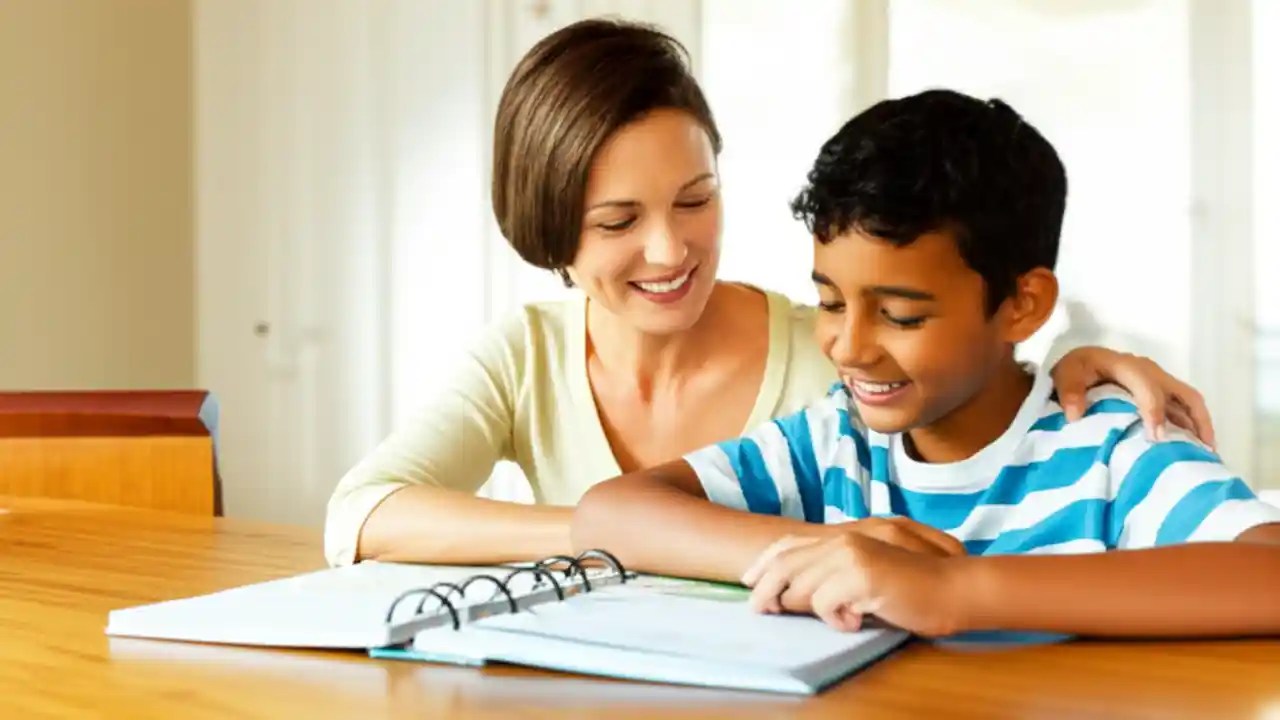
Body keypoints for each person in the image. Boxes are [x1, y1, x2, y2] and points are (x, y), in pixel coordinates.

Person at [324, 19, 1215, 568]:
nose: (670, 248)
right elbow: (363, 513)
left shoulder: (831, 363)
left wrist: (1055, 369)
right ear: (551, 229)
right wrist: (625, 534)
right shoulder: (526, 351)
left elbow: (956, 390)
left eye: (695, 200)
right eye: (617, 221)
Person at [571, 89, 1280, 639]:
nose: (850, 347)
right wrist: (834, 548)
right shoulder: (834, 444)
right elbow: (610, 514)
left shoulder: (1108, 445)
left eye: (902, 316)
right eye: (828, 302)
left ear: (1022, 306)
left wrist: (951, 592)